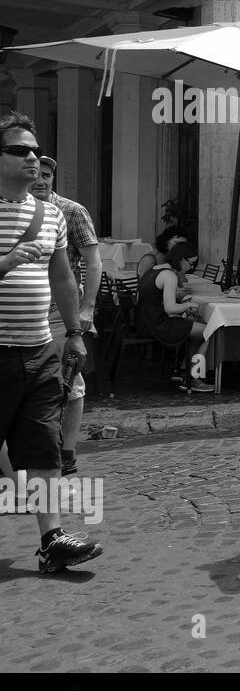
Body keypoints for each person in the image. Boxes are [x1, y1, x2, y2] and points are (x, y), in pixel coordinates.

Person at [0, 113, 102, 573]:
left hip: (39, 349)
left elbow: (63, 276)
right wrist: (4, 261)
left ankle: (52, 539)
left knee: (44, 445)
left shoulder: (52, 214)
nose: (33, 159)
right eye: (20, 151)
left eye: (35, 152)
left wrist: (75, 332)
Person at [31, 156, 101, 474]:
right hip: (26, 313)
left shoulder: (71, 211)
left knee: (70, 384)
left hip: (61, 313)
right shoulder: (21, 211)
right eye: (35, 174)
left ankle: (68, 452)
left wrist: (86, 308)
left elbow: (93, 262)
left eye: (46, 175)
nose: (41, 180)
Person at [136, 239, 214, 392]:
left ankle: (185, 371)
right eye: (190, 263)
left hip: (144, 323)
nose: (191, 268)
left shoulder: (153, 270)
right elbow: (171, 309)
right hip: (159, 325)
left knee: (193, 327)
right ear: (181, 259)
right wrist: (189, 305)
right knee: (209, 331)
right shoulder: (169, 275)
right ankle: (194, 377)